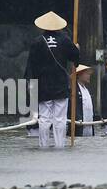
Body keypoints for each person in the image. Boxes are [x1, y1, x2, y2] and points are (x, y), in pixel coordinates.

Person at [23, 11, 80, 149]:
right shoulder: (65, 40)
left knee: (44, 118)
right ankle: (60, 145)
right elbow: (75, 58)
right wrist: (77, 49)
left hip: (44, 85)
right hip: (60, 84)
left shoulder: (37, 42)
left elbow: (31, 64)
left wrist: (31, 82)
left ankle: (43, 145)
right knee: (60, 119)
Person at [69, 65, 96, 137]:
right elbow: (73, 106)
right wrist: (78, 118)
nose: (89, 76)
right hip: (79, 125)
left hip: (89, 123)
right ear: (79, 75)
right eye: (87, 74)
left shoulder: (86, 90)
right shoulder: (73, 89)